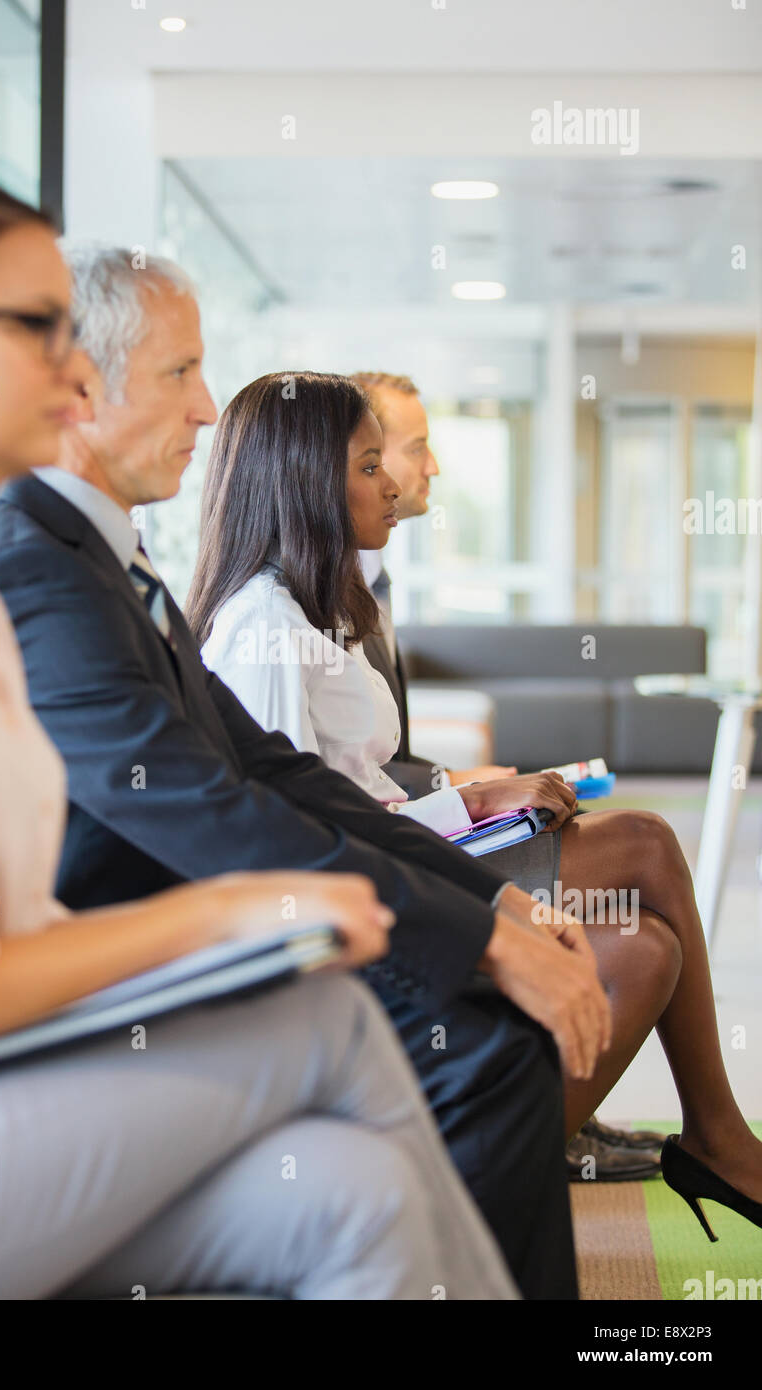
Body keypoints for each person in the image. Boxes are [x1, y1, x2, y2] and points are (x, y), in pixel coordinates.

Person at [0, 174, 521, 1303]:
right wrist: (227, 913)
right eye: (38, 328)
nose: (74, 368)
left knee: (355, 1192)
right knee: (330, 1020)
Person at [0, 244, 614, 1300]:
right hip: (128, 976)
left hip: (197, 939)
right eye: (180, 373)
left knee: (491, 1034)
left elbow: (276, 771)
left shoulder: (106, 563)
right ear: (80, 385)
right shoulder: (36, 568)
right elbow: (215, 818)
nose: (207, 408)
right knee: (486, 1052)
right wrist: (476, 938)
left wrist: (493, 905)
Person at [190, 367, 762, 1233]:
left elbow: (356, 793)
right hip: (385, 885)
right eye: (369, 465)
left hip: (404, 846)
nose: (393, 483)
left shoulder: (308, 608)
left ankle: (505, 1176)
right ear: (306, 478)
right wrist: (469, 810)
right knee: (645, 843)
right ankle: (718, 1142)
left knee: (646, 951)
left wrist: (475, 800)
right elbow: (301, 834)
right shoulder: (261, 628)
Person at [351, 370, 666, 1181]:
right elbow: (341, 785)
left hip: (416, 827)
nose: (432, 469)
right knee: (646, 846)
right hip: (397, 862)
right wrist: (458, 789)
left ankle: (582, 1120)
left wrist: (464, 782)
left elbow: (366, 761)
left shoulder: (370, 584)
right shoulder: (305, 609)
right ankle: (711, 1146)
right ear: (363, 459)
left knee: (648, 922)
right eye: (415, 448)